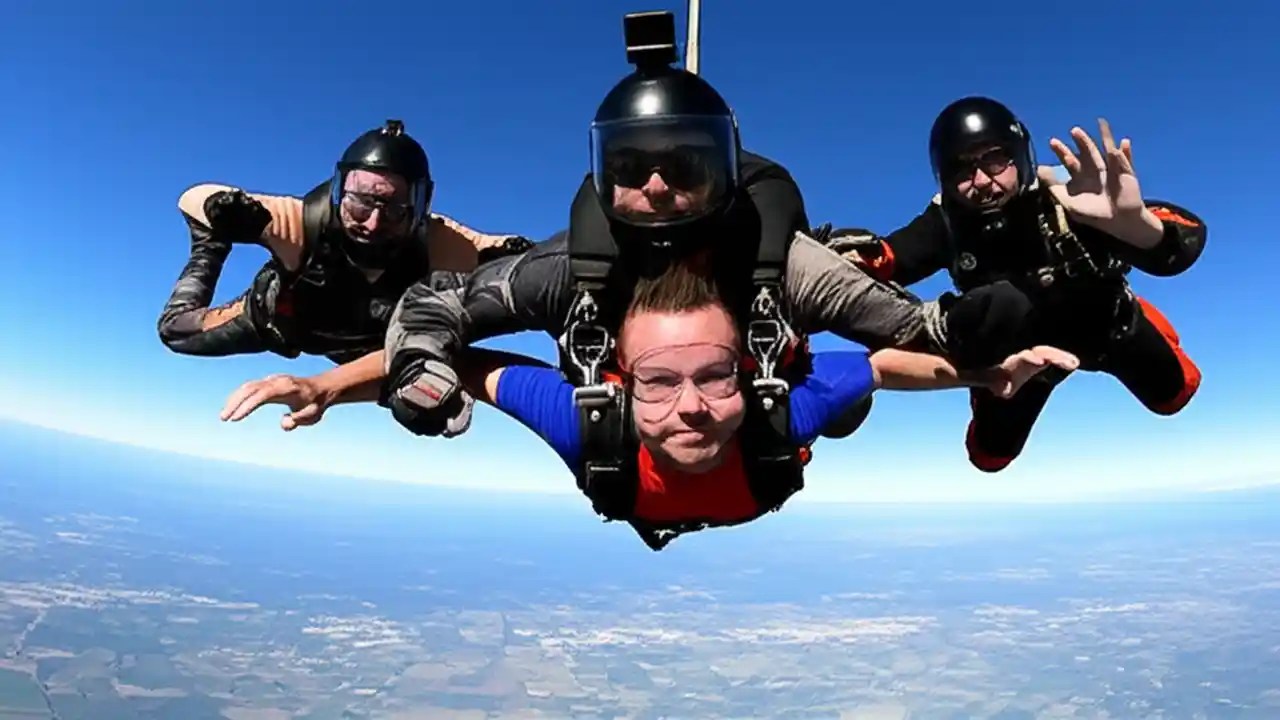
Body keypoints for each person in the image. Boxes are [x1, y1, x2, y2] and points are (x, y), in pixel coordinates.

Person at [381, 11, 1011, 450]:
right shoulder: (574, 268)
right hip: (632, 443)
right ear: (603, 176)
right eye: (630, 167)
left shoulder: (783, 263)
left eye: (682, 167)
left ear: (721, 174)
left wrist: (978, 325)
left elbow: (911, 327)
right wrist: (418, 368)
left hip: (749, 432)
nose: (656, 187)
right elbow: (440, 303)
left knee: (846, 409)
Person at [223, 263, 1078, 550]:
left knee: (839, 389)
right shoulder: (585, 420)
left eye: (716, 376)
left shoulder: (777, 413)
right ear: (620, 384)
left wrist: (980, 376)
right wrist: (328, 384)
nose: (695, 409)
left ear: (747, 373)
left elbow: (881, 368)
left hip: (761, 461)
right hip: (681, 485)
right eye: (660, 383)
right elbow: (466, 359)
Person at [820, 96, 1207, 472]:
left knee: (1177, 394)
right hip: (1023, 358)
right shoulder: (948, 222)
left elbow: (1182, 243)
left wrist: (1138, 228)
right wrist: (827, 258)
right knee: (988, 456)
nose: (981, 181)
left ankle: (1140, 316)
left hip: (1104, 326)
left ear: (1020, 157)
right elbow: (889, 256)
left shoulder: (1067, 196)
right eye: (961, 169)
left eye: (994, 159)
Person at [157, 119, 534, 432]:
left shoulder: (441, 244)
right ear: (340, 191)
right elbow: (194, 199)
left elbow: (518, 257)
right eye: (360, 203)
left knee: (427, 394)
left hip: (368, 343)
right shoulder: (304, 222)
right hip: (277, 321)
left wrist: (516, 255)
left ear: (419, 207)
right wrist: (224, 213)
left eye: (394, 210)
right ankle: (210, 248)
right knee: (175, 331)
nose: (372, 222)